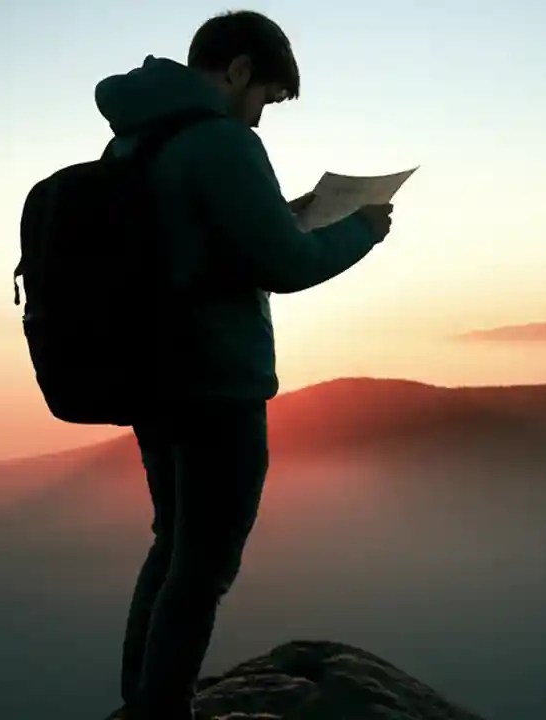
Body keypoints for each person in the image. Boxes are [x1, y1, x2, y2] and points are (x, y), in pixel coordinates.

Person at [94, 10, 394, 720]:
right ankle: (163, 715)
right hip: (216, 385)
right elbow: (284, 266)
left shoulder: (138, 139)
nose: (260, 118)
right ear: (235, 72)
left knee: (172, 547)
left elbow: (193, 242)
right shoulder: (221, 141)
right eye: (262, 97)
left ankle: (144, 703)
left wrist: (280, 210)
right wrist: (360, 230)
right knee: (203, 570)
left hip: (152, 380)